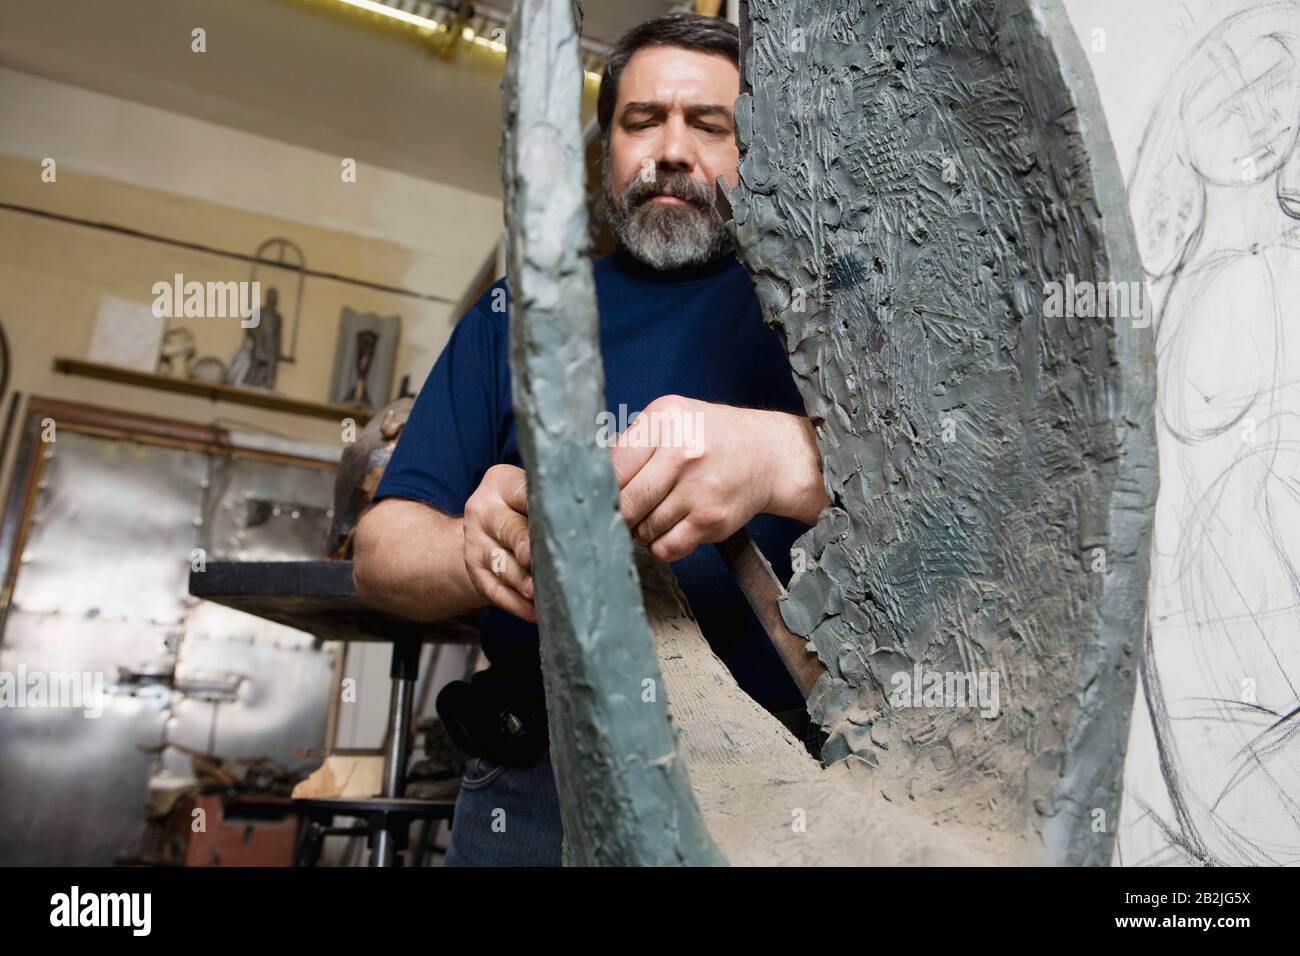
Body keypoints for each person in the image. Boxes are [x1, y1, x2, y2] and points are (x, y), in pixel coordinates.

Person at [352, 12, 829, 867]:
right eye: (642, 121)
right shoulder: (513, 315)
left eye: (709, 125)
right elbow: (379, 552)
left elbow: (955, 505)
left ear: (753, 149)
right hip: (536, 787)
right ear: (605, 146)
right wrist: (479, 550)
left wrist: (781, 458)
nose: (672, 150)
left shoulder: (828, 316)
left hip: (777, 782)